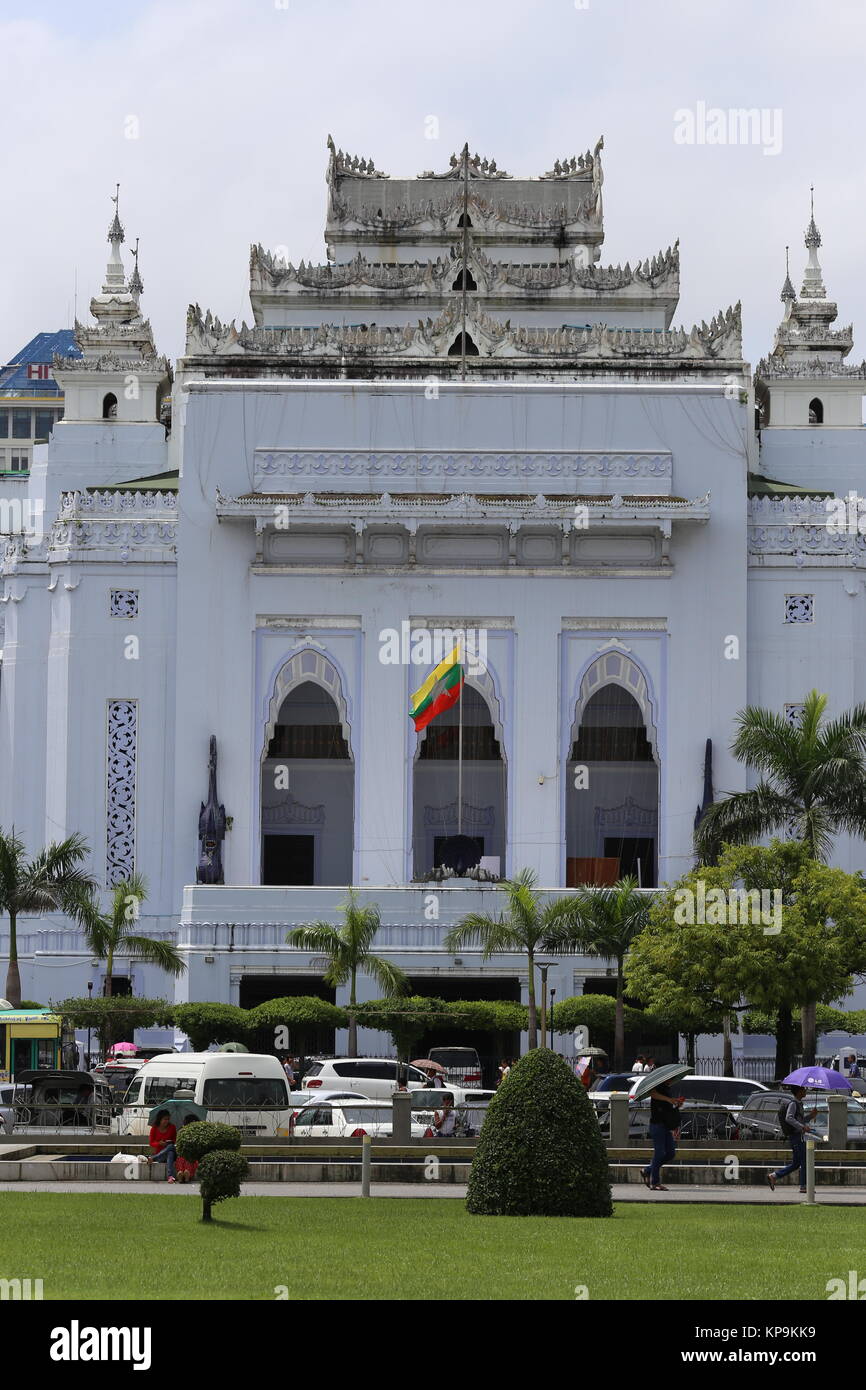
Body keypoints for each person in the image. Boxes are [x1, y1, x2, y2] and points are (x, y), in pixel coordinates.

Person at [767, 1086, 819, 1194]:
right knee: (804, 1161)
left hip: (798, 1136)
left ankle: (774, 1176)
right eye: (804, 1090)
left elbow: (800, 1120)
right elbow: (789, 1118)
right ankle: (803, 1186)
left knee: (796, 1164)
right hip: (795, 1137)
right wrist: (802, 1127)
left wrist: (811, 1116)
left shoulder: (799, 1104)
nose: (805, 1091)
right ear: (799, 1092)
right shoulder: (793, 1104)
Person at [640, 1078, 684, 1191]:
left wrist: (676, 1103)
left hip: (665, 1125)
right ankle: (655, 1183)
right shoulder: (657, 1087)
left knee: (670, 1153)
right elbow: (653, 1094)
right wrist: (669, 1099)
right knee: (659, 1153)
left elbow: (667, 1109)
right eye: (670, 1079)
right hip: (657, 1125)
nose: (672, 1080)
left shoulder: (667, 1089)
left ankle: (647, 1170)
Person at [147, 1109, 177, 1182]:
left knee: (171, 1148)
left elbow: (174, 1140)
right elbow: (151, 1143)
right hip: (160, 1156)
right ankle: (170, 1176)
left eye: (168, 1119)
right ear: (160, 1119)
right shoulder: (154, 1129)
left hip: (170, 1153)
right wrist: (159, 1143)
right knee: (170, 1152)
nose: (166, 1121)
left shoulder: (172, 1127)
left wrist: (169, 1142)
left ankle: (153, 1158)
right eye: (165, 1119)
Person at [175, 1112, 201, 1183]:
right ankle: (186, 1174)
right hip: (186, 1153)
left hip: (188, 1153)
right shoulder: (183, 1131)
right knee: (186, 1159)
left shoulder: (182, 1130)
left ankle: (182, 1173)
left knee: (184, 1159)